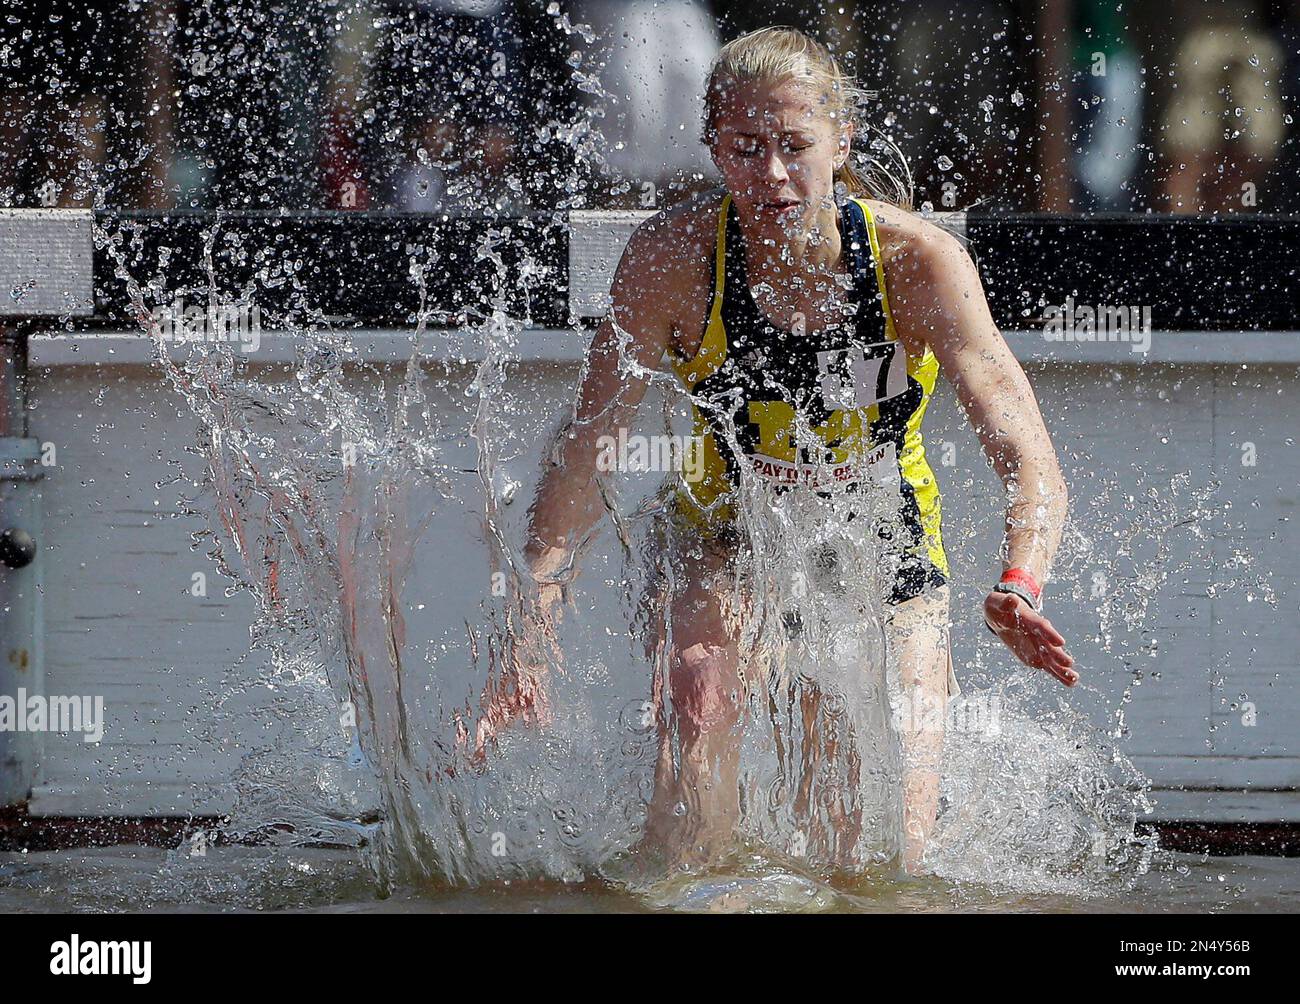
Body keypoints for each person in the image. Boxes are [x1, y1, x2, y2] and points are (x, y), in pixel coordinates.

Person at [472, 26, 1076, 878]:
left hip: (884, 542)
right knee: (700, 701)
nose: (774, 176)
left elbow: (1026, 454)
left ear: (841, 141)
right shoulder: (671, 262)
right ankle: (673, 883)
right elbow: (585, 454)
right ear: (714, 148)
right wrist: (528, 636)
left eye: (796, 147)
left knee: (884, 845)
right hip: (723, 532)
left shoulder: (918, 264)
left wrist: (1020, 580)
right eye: (747, 150)